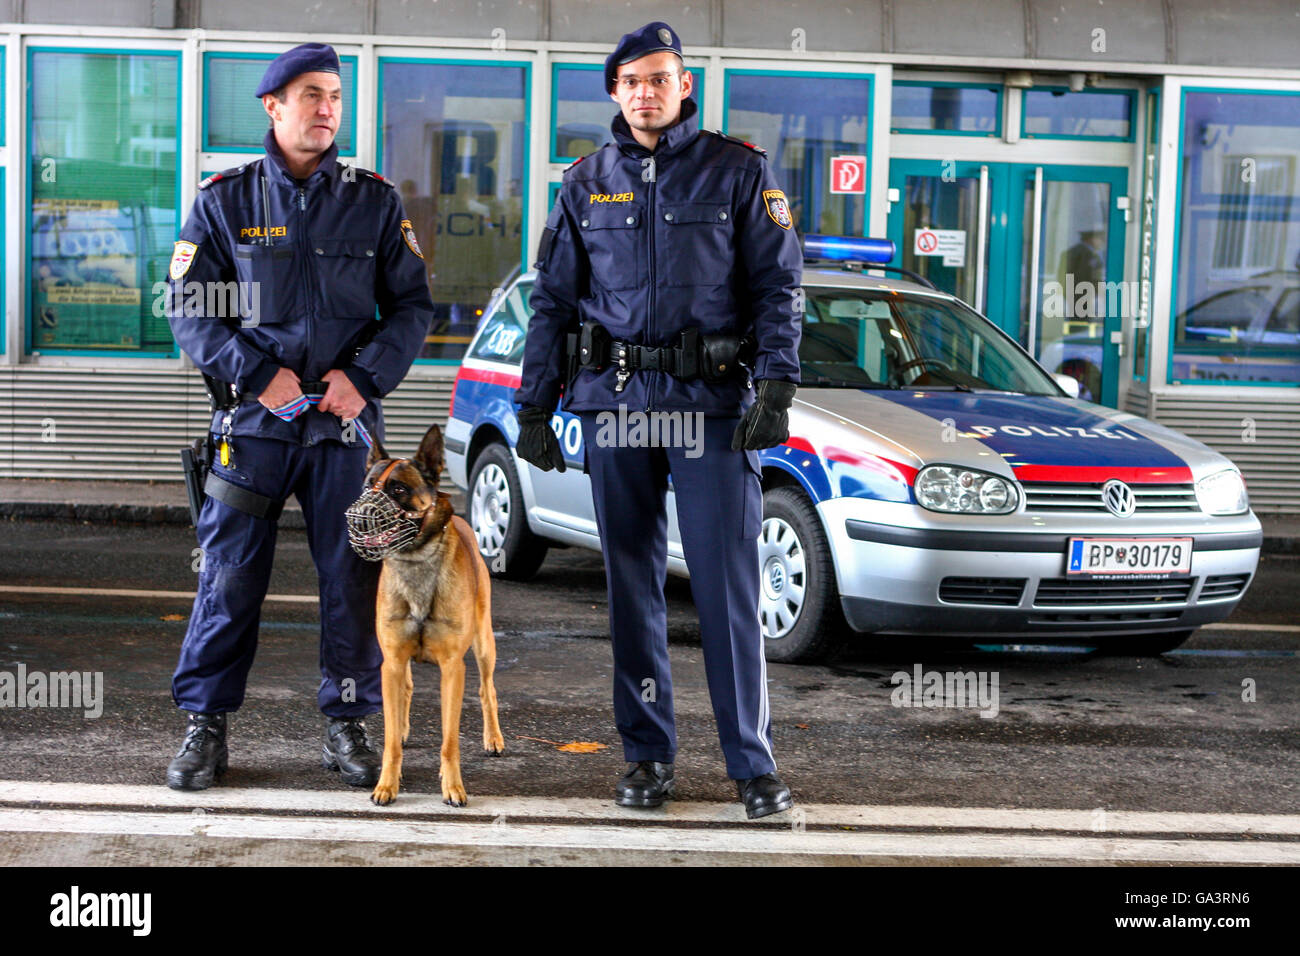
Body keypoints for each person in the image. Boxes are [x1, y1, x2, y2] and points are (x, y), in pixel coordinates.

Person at [514, 22, 803, 819]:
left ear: (685, 87)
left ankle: (752, 765)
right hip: (616, 410)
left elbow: (779, 287)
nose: (647, 91)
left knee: (727, 591)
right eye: (632, 80)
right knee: (630, 590)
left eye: (661, 78)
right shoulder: (584, 183)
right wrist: (534, 401)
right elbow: (554, 302)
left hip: (708, 410)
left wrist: (776, 385)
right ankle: (647, 757)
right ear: (614, 91)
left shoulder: (737, 173)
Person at [164, 43, 434, 791]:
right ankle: (205, 725)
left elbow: (412, 308)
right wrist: (256, 375)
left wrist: (362, 376)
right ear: (273, 106)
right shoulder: (225, 202)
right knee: (228, 576)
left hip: (344, 430)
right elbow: (188, 304)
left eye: (335, 97)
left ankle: (346, 724)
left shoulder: (374, 201)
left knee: (352, 576)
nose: (326, 109)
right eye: (311, 94)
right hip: (254, 430)